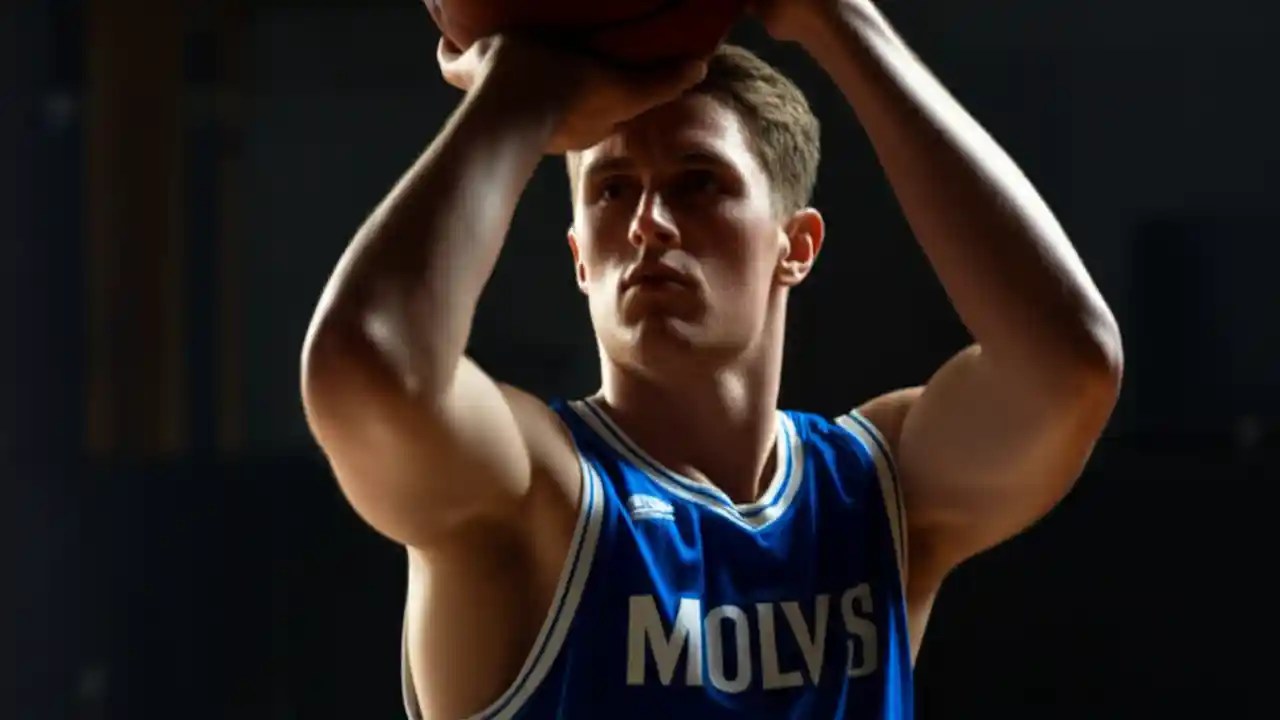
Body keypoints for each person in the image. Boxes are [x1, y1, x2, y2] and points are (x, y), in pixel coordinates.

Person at [300, 0, 1123, 717]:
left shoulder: (876, 495)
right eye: (613, 190)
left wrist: (839, 19)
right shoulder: (537, 495)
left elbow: (1070, 363)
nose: (649, 222)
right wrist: (521, 94)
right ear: (581, 256)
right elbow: (363, 367)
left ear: (795, 246)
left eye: (699, 184)